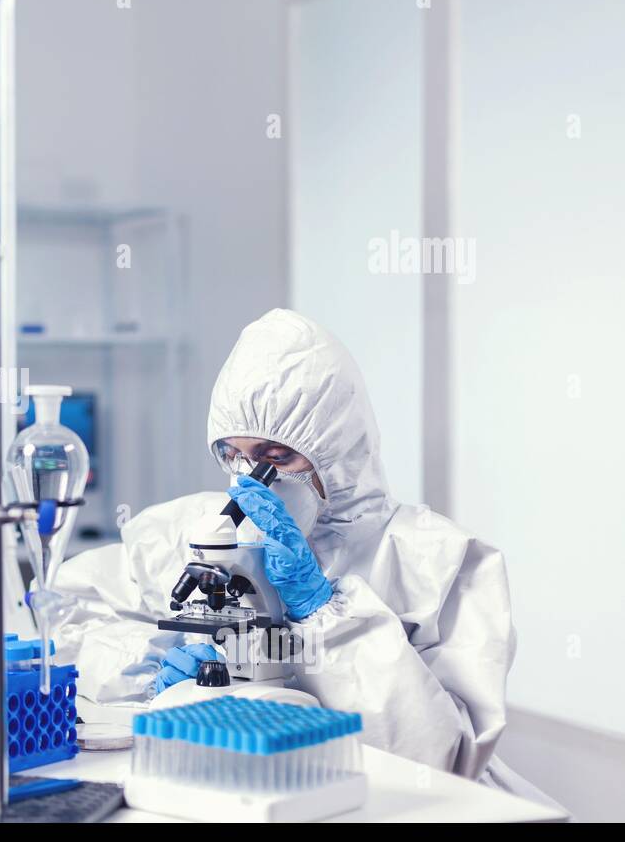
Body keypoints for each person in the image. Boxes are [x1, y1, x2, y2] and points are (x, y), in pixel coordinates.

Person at [53, 308, 549, 801]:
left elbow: (438, 760)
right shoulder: (186, 529)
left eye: (276, 457)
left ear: (336, 449)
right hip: (234, 787)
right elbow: (66, 621)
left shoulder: (435, 558)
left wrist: (325, 616)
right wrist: (150, 667)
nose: (250, 478)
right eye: (235, 454)